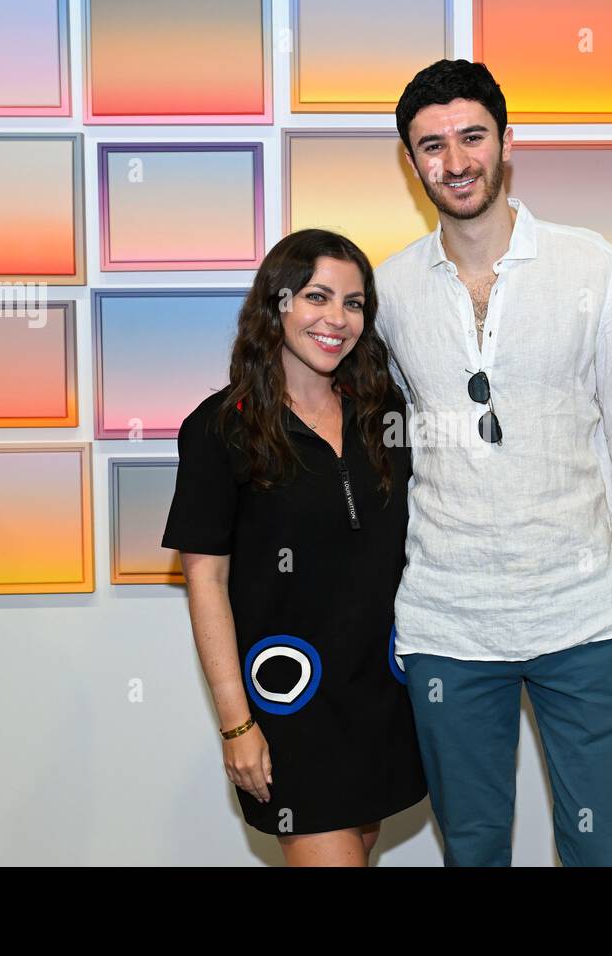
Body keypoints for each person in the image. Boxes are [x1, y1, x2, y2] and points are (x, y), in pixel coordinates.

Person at [374, 59, 612, 866]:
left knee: (605, 842)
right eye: (432, 145)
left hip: (583, 608)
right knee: (473, 848)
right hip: (447, 614)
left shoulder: (591, 266)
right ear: (413, 163)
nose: (457, 160)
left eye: (472, 136)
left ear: (507, 142)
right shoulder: (389, 289)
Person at [161, 229, 426, 866]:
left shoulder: (384, 413)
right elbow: (205, 583)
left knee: (362, 846)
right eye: (317, 297)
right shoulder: (220, 427)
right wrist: (236, 724)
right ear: (276, 304)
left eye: (355, 303)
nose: (337, 319)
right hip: (290, 708)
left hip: (383, 697)